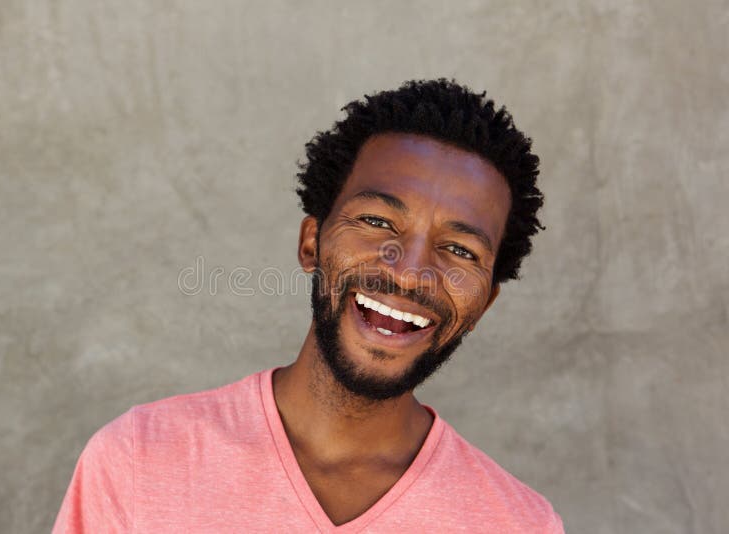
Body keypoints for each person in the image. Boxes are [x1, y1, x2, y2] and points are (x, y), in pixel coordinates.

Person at [52, 79, 564, 533]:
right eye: (378, 223)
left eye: (459, 250)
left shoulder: (519, 524)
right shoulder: (138, 461)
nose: (409, 271)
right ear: (311, 243)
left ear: (484, 303)